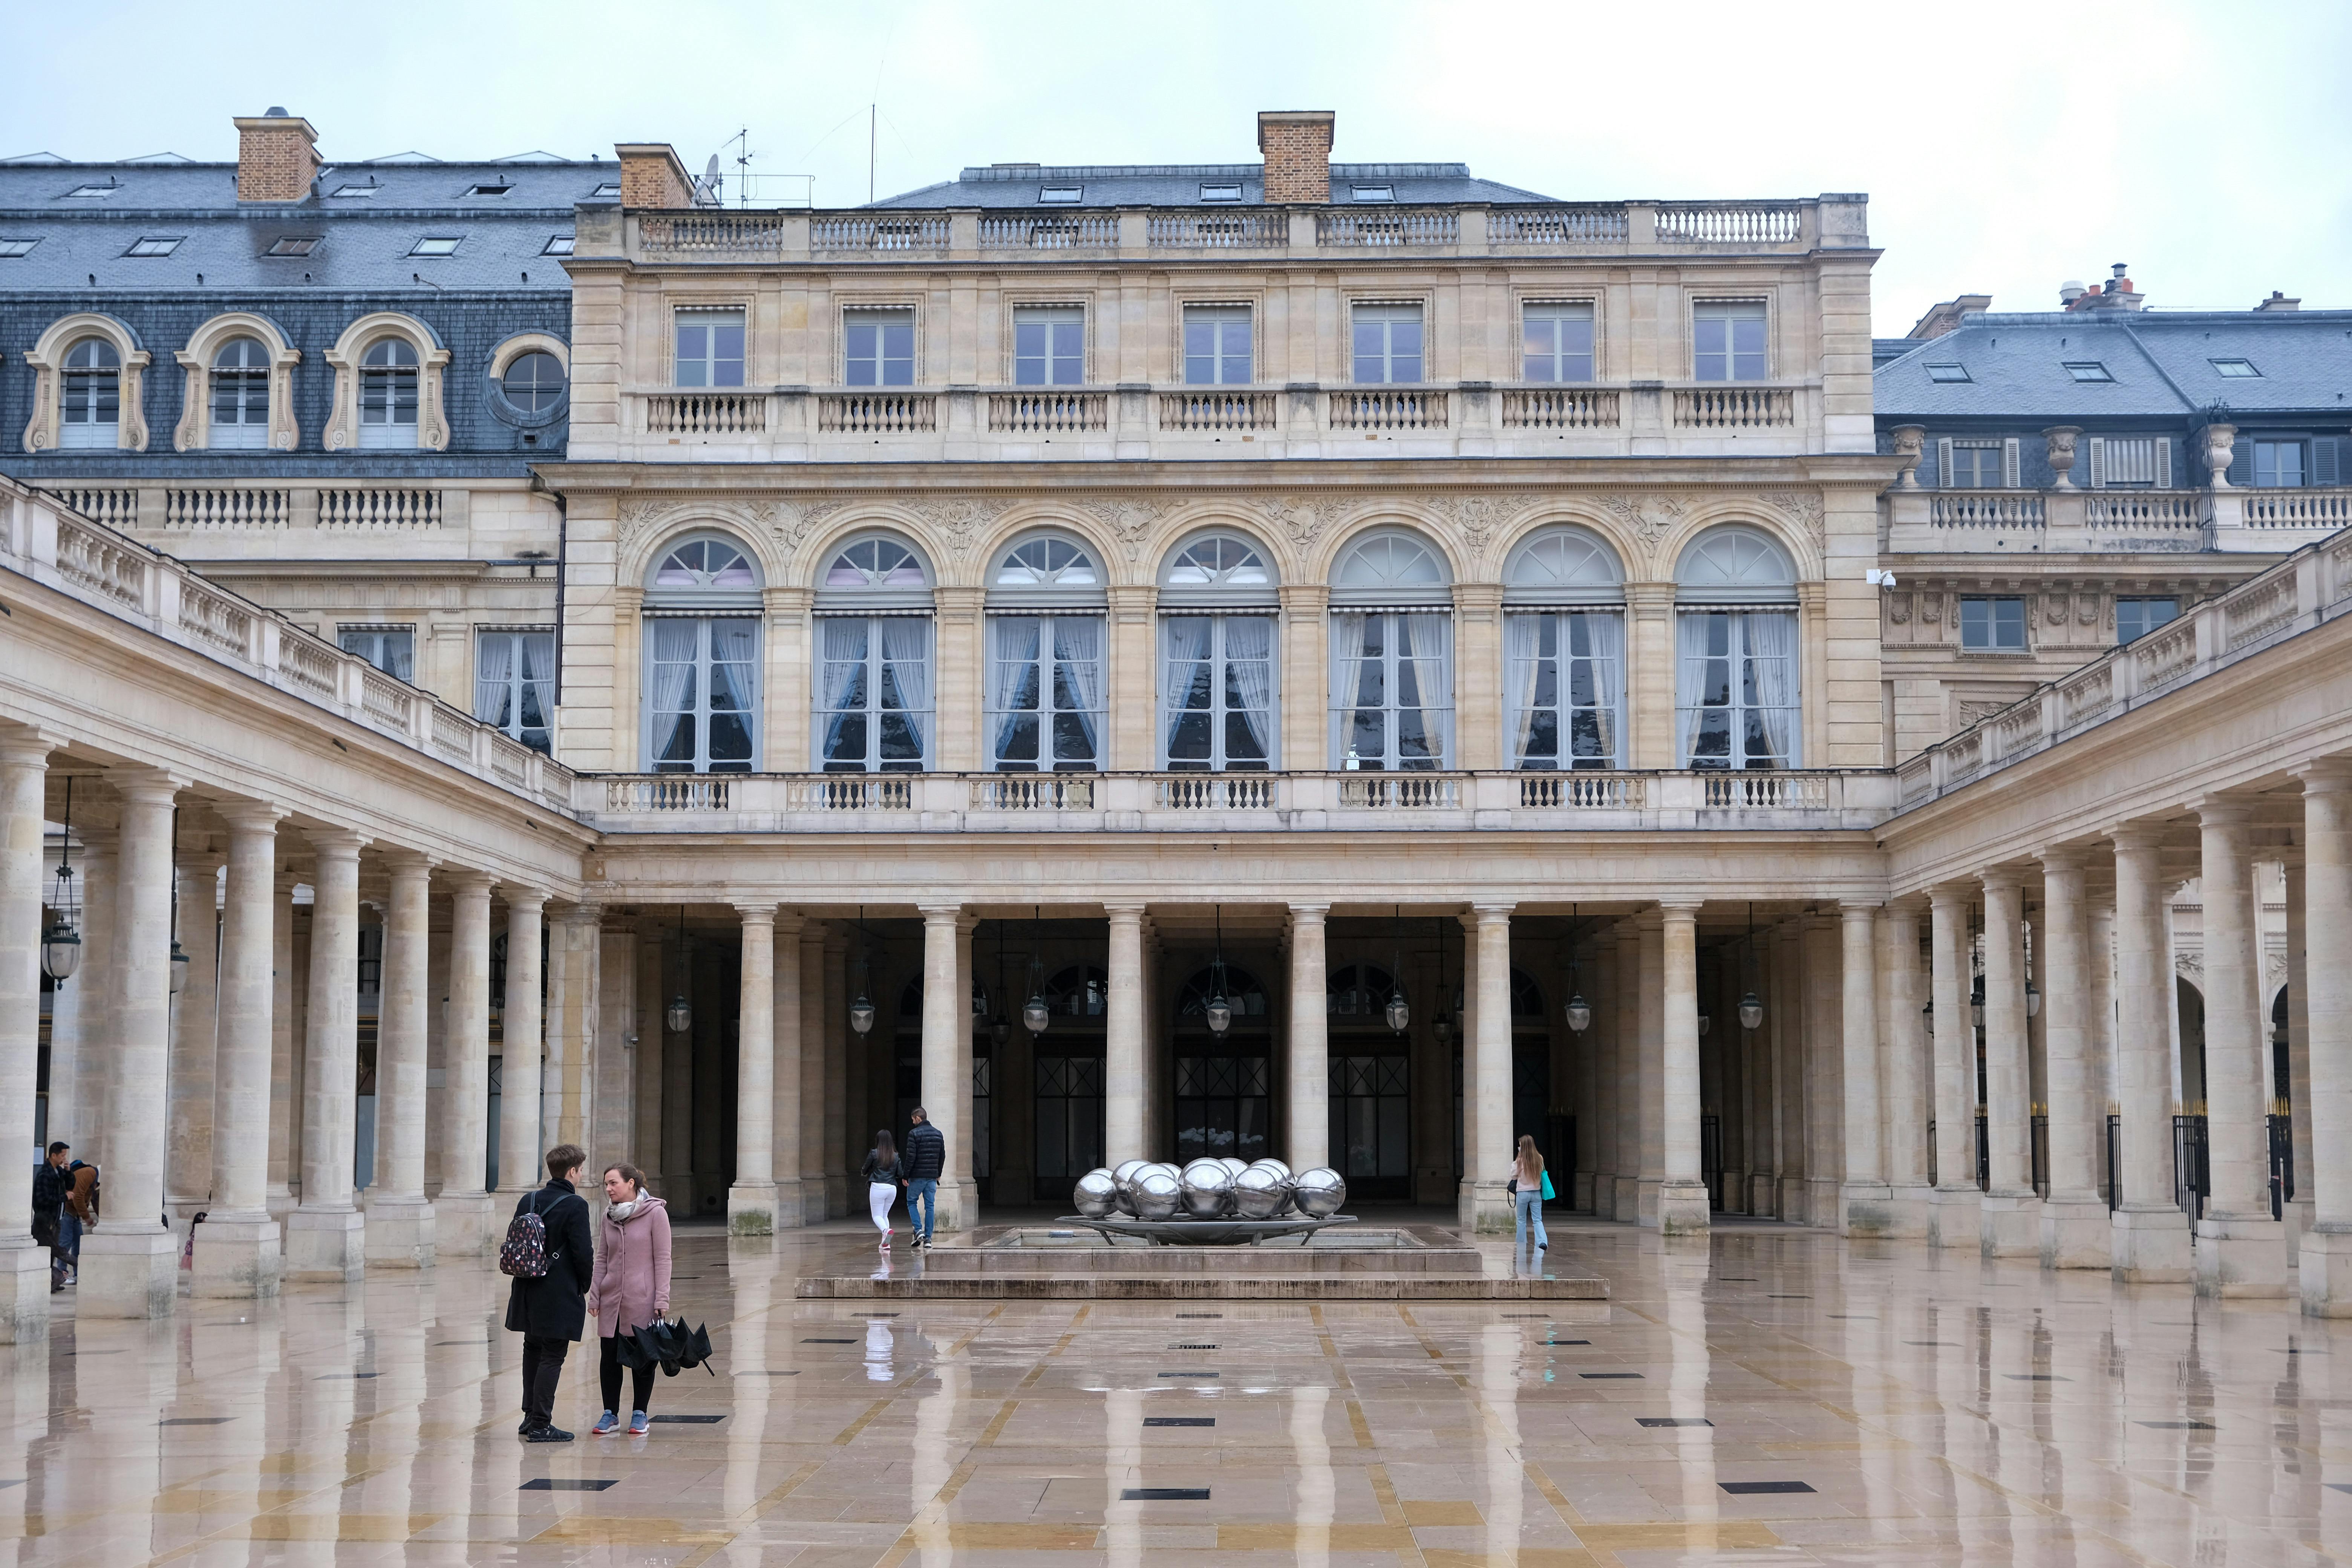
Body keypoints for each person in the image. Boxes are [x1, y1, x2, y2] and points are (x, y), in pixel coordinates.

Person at [504, 1143, 594, 1443]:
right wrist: (584, 1286)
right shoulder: (575, 1205)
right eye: (580, 1171)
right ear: (572, 1171)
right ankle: (542, 1424)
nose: (581, 1176)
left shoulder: (528, 1200)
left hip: (526, 1287)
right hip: (557, 1291)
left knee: (533, 1349)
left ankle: (530, 1417)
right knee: (553, 1355)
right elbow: (584, 1253)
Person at [584, 1162, 672, 1437]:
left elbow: (663, 1258)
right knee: (609, 1358)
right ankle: (610, 1413)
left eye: (614, 1183)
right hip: (612, 1299)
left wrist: (662, 1297)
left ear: (631, 1183)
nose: (608, 1189)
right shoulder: (608, 1216)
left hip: (642, 1299)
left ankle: (640, 1414)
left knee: (642, 1357)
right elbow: (601, 1258)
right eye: (606, 1185)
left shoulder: (655, 1213)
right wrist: (595, 1293)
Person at [902, 1107, 944, 1251]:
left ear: (918, 1119)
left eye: (913, 1119)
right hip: (932, 1176)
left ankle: (918, 1230)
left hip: (917, 1176)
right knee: (930, 1206)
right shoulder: (938, 1134)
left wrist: (905, 1175)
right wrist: (939, 1172)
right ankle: (928, 1239)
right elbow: (942, 1155)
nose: (913, 1122)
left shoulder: (914, 1134)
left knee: (912, 1202)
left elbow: (911, 1157)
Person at [32, 1142, 66, 1292]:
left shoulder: (58, 1171)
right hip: (46, 1220)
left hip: (55, 1218)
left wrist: (69, 1171)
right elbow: (43, 1199)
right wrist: (63, 1197)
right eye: (62, 1156)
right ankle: (47, 1282)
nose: (64, 1159)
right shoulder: (45, 1175)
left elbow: (71, 1182)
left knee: (52, 1253)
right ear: (54, 1155)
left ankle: (52, 1280)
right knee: (47, 1251)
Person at [861, 1130, 903, 1250]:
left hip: (878, 1186)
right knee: (885, 1215)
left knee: (877, 1216)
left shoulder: (874, 1153)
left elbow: (865, 1169)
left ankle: (886, 1231)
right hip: (892, 1188)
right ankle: (886, 1243)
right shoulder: (896, 1155)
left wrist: (865, 1172)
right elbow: (900, 1173)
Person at [1508, 1134, 1548, 1254]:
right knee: (1538, 1220)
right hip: (1536, 1192)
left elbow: (1513, 1175)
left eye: (1520, 1145)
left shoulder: (1520, 1161)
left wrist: (1519, 1158)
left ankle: (1521, 1243)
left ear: (1523, 1147)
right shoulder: (1539, 1158)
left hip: (1523, 1193)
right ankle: (1542, 1242)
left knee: (1521, 1220)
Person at [61, 1159, 97, 1286]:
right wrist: (87, 1217)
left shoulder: (93, 1178)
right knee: (65, 1242)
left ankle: (77, 1274)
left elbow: (93, 1200)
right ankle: (61, 1274)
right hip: (67, 1211)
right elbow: (78, 1197)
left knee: (78, 1242)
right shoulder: (90, 1173)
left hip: (74, 1213)